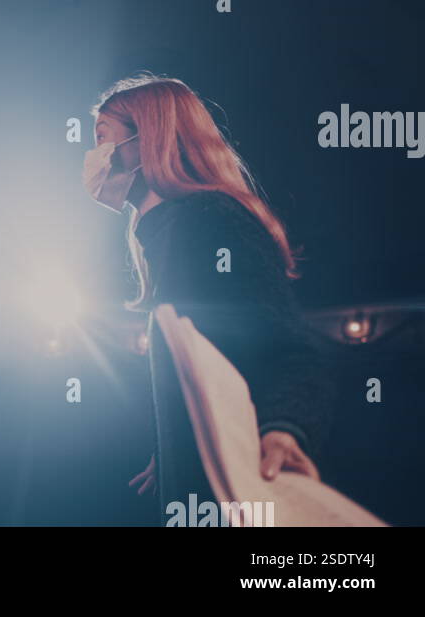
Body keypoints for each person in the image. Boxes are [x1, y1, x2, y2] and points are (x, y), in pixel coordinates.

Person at [82, 76, 334, 521]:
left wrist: (284, 429)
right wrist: (185, 441)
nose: (93, 156)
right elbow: (222, 354)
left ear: (148, 138)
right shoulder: (172, 232)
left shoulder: (211, 221)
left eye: (103, 138)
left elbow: (290, 349)